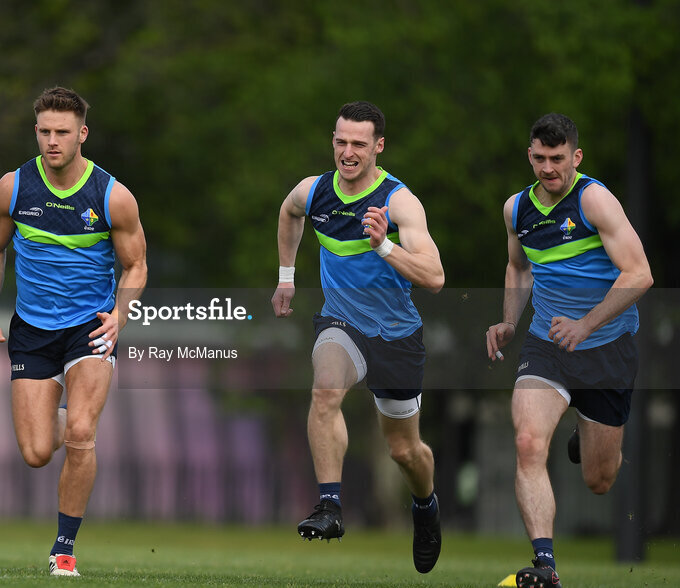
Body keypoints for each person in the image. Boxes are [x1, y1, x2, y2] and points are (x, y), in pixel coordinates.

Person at [0, 86, 147, 577]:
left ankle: (64, 547)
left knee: (79, 431)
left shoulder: (112, 196)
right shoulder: (14, 187)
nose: (53, 141)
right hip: (31, 329)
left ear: (82, 135)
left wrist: (122, 313)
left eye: (62, 133)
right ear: (36, 132)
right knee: (35, 453)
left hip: (90, 330)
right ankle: (68, 421)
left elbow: (136, 266)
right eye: (45, 132)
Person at [271, 101, 445, 574]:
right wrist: (287, 276)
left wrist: (384, 245)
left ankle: (426, 507)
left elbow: (434, 277)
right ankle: (329, 506)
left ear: (378, 147)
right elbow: (289, 213)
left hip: (396, 335)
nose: (347, 152)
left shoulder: (399, 201)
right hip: (341, 323)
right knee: (324, 390)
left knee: (405, 452)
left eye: (359, 144)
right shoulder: (314, 191)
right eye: (341, 141)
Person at [485, 113, 652, 588]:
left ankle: (588, 428)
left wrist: (586, 323)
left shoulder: (594, 200)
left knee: (600, 480)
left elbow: (639, 273)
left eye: (557, 159)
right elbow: (518, 269)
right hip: (547, 343)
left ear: (576, 157)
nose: (547, 168)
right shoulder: (516, 209)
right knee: (527, 441)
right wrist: (509, 321)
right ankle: (545, 566)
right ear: (530, 156)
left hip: (606, 348)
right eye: (539, 158)